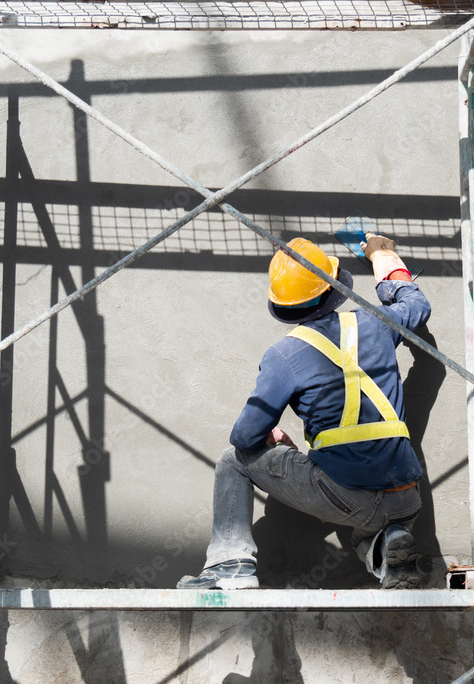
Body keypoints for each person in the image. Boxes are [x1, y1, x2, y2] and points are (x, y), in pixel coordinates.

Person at [178, 234, 430, 590]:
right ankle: (389, 545)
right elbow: (417, 303)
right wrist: (382, 254)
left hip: (347, 498)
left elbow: (244, 438)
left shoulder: (284, 355)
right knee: (369, 529)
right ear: (333, 287)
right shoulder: (378, 323)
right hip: (407, 497)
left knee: (233, 460)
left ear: (286, 306)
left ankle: (229, 567)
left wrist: (273, 436)